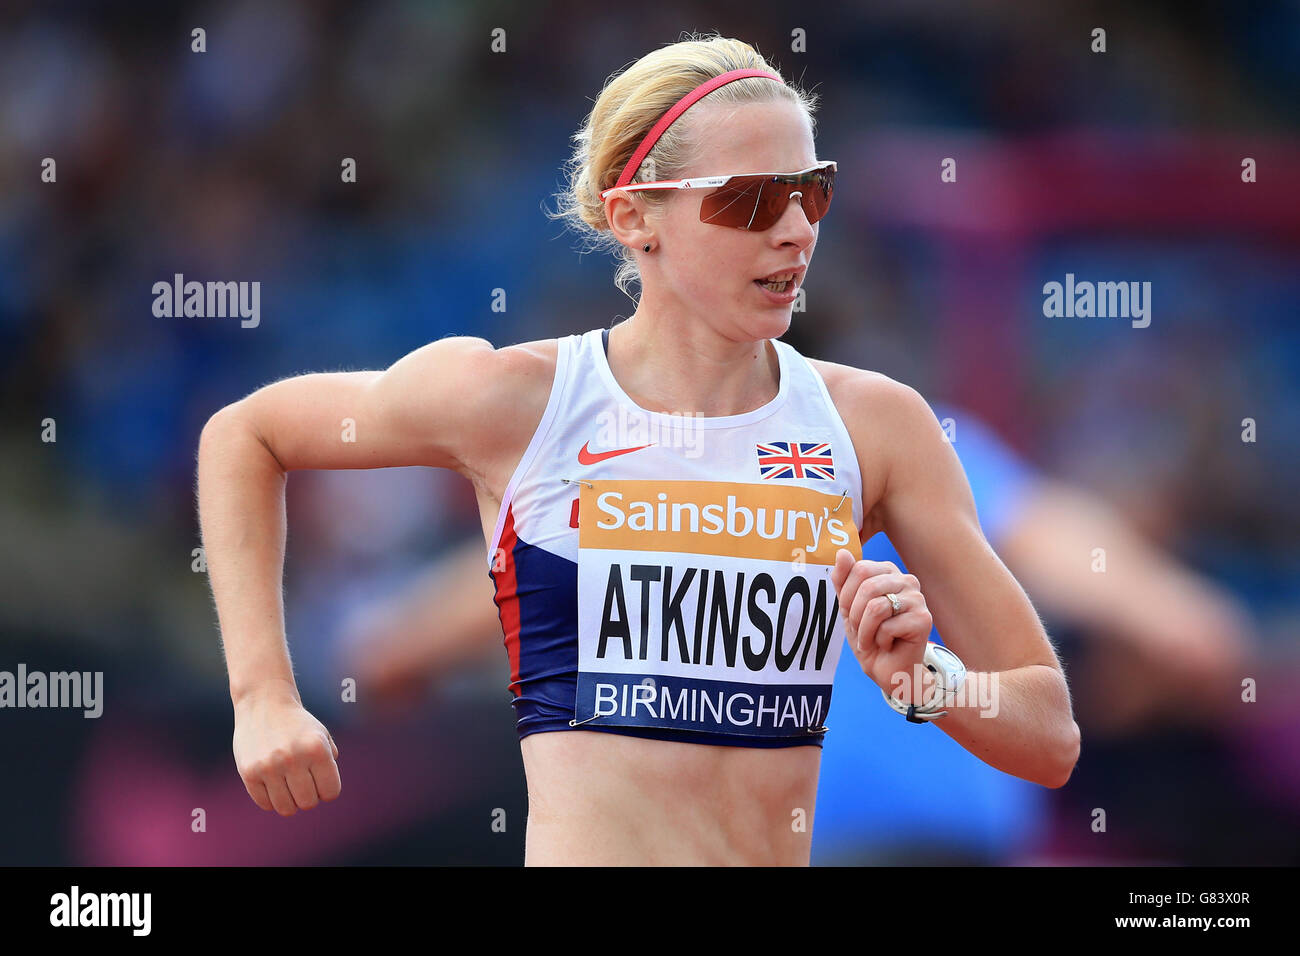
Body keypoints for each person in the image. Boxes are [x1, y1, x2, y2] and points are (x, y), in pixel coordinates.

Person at [196, 34, 1079, 865]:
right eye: (751, 199)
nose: (796, 230)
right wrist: (262, 695)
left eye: (812, 191)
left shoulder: (874, 424)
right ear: (634, 217)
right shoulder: (519, 401)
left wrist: (931, 683)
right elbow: (248, 433)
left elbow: (1048, 734)